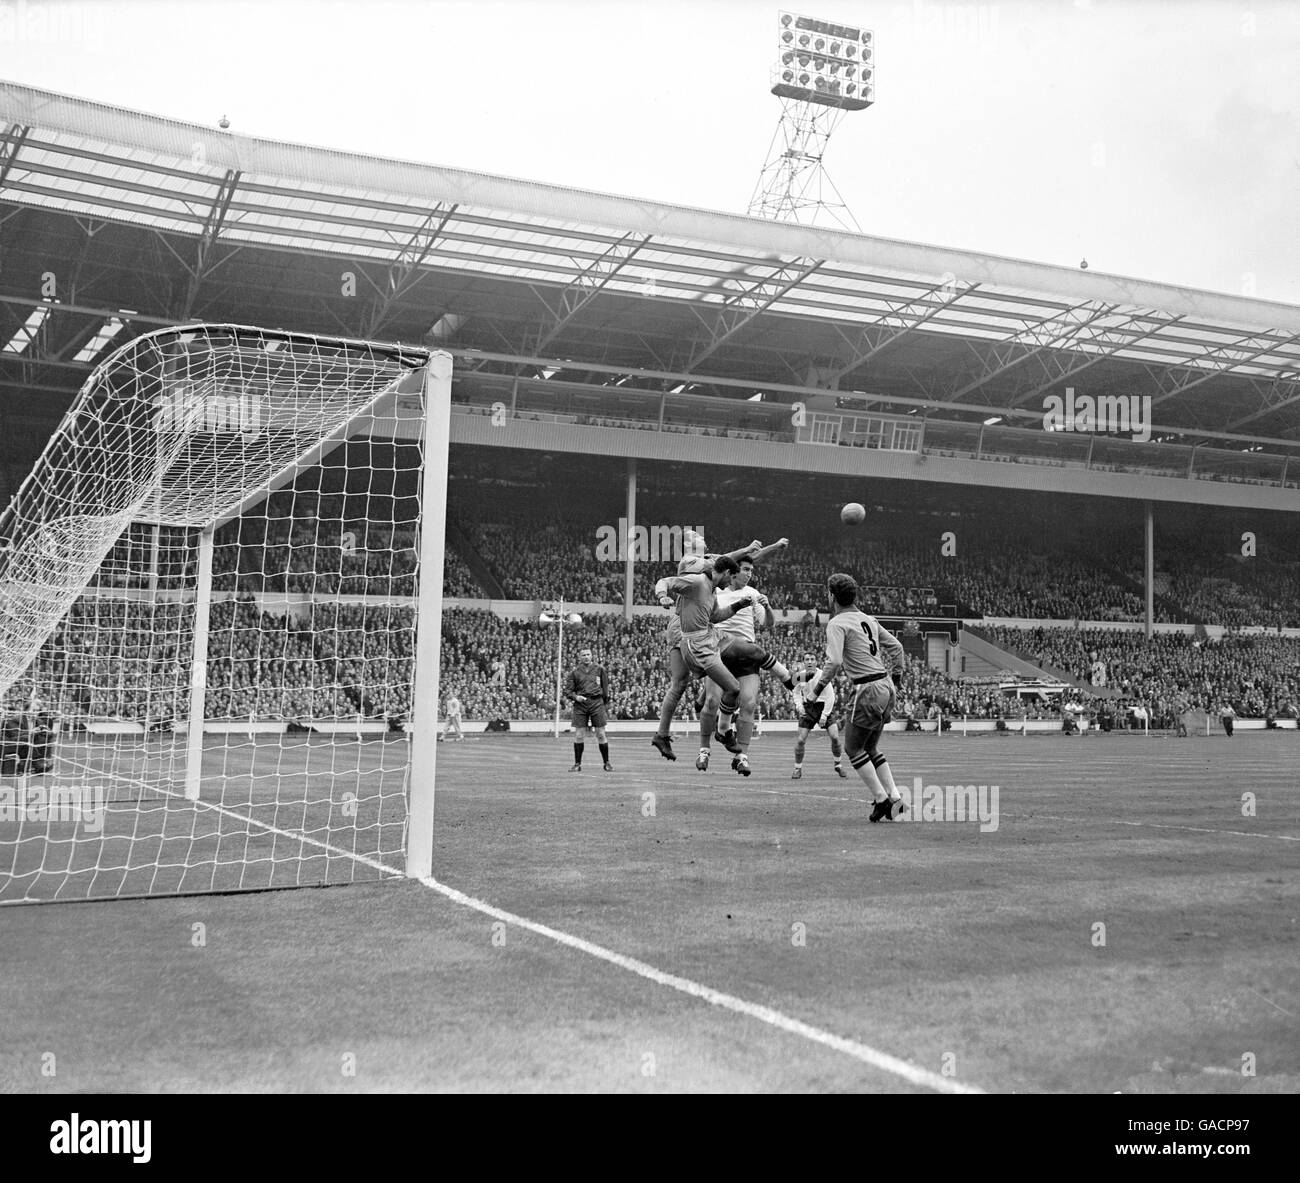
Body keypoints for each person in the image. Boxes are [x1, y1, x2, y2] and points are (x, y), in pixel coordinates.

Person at [807, 573, 907, 822]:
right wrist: (896, 680)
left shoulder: (837, 623)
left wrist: (815, 691)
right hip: (885, 685)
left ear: (831, 596)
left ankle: (882, 800)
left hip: (867, 688)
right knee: (870, 747)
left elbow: (835, 662)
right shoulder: (868, 619)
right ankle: (894, 797)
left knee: (852, 747)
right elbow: (897, 647)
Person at [698, 554, 796, 777]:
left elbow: (768, 624)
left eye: (751, 570)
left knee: (749, 703)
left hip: (746, 654)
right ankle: (704, 750)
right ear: (733, 572)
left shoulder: (754, 594)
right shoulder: (716, 590)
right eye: (745, 569)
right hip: (719, 651)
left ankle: (741, 756)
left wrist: (768, 607)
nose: (749, 574)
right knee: (712, 701)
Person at [790, 654, 847, 779]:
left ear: (816, 662)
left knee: (835, 737)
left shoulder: (823, 675)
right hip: (808, 708)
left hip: (824, 706)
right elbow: (796, 692)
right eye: (807, 659)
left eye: (812, 659)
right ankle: (797, 769)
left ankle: (838, 764)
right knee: (800, 740)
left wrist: (824, 715)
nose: (810, 662)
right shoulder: (800, 676)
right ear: (803, 662)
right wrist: (799, 706)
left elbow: (830, 696)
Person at [564, 646, 612, 771]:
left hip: (597, 703)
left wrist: (604, 703)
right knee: (579, 735)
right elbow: (568, 691)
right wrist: (576, 697)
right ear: (580, 657)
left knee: (601, 734)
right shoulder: (575, 672)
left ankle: (607, 763)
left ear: (592, 656)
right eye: (583, 655)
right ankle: (577, 764)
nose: (586, 657)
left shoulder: (600, 669)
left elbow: (605, 688)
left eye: (588, 654)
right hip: (581, 704)